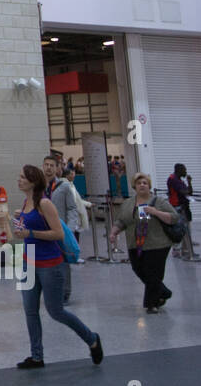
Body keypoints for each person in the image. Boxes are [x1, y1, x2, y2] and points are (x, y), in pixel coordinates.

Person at [13, 164, 103, 369]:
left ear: (33, 182)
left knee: (56, 311)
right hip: (29, 262)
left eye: (22, 177)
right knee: (30, 310)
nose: (19, 180)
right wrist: (21, 225)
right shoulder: (26, 202)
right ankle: (36, 356)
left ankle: (92, 339)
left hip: (49, 264)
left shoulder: (45, 203)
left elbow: (58, 233)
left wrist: (31, 233)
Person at [109, 173, 178, 312]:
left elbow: (174, 217)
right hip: (136, 244)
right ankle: (163, 292)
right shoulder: (128, 203)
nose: (142, 185)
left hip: (157, 244)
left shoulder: (159, 202)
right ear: (134, 186)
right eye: (139, 183)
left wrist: (156, 212)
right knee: (139, 269)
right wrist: (114, 232)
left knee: (153, 273)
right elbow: (121, 221)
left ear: (149, 186)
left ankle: (152, 304)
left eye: (145, 183)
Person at [43, 155, 84, 304]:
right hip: (44, 232)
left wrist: (70, 229)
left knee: (63, 262)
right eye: (46, 165)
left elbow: (72, 208)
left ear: (57, 168)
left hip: (61, 230)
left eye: (52, 165)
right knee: (47, 263)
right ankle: (50, 291)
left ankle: (65, 293)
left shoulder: (64, 186)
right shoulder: (39, 187)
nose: (48, 168)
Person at [166, 163, 201, 261]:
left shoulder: (180, 180)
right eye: (184, 170)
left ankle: (186, 250)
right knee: (180, 229)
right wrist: (188, 185)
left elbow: (190, 192)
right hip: (178, 207)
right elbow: (185, 192)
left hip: (184, 207)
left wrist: (189, 182)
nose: (186, 172)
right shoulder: (173, 180)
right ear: (179, 170)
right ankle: (177, 250)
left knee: (186, 230)